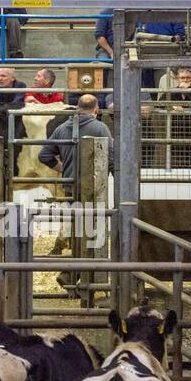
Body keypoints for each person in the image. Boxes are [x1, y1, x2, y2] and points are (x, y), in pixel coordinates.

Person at [39, 94, 113, 265]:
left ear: (77, 108)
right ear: (97, 109)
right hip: (94, 186)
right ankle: (84, 271)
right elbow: (112, 156)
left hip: (70, 185)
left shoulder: (63, 128)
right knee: (91, 227)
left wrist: (63, 168)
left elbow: (44, 155)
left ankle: (72, 268)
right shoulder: (101, 128)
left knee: (75, 223)